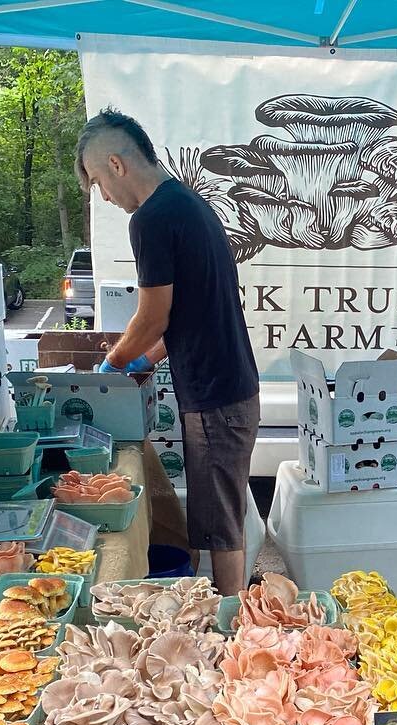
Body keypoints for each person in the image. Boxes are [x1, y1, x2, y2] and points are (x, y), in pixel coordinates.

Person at [75, 108, 261, 596]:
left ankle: (233, 630)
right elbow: (187, 312)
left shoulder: (153, 218)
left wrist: (111, 365)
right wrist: (150, 357)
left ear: (116, 165)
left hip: (216, 394)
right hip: (224, 386)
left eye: (98, 182)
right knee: (212, 515)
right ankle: (210, 614)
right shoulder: (187, 202)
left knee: (221, 524)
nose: (106, 198)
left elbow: (153, 314)